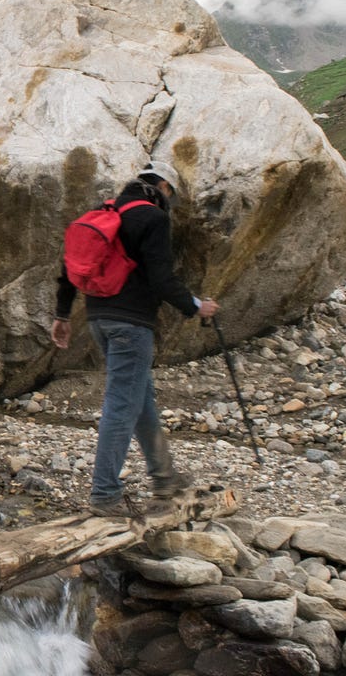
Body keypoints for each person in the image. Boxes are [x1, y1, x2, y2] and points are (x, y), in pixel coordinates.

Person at [50, 161, 219, 516]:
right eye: (171, 195)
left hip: (98, 318)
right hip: (132, 323)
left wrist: (62, 315)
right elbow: (162, 280)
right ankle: (104, 494)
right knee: (121, 406)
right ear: (164, 188)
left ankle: (164, 478)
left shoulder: (101, 213)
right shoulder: (153, 218)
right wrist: (196, 306)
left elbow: (69, 269)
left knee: (139, 398)